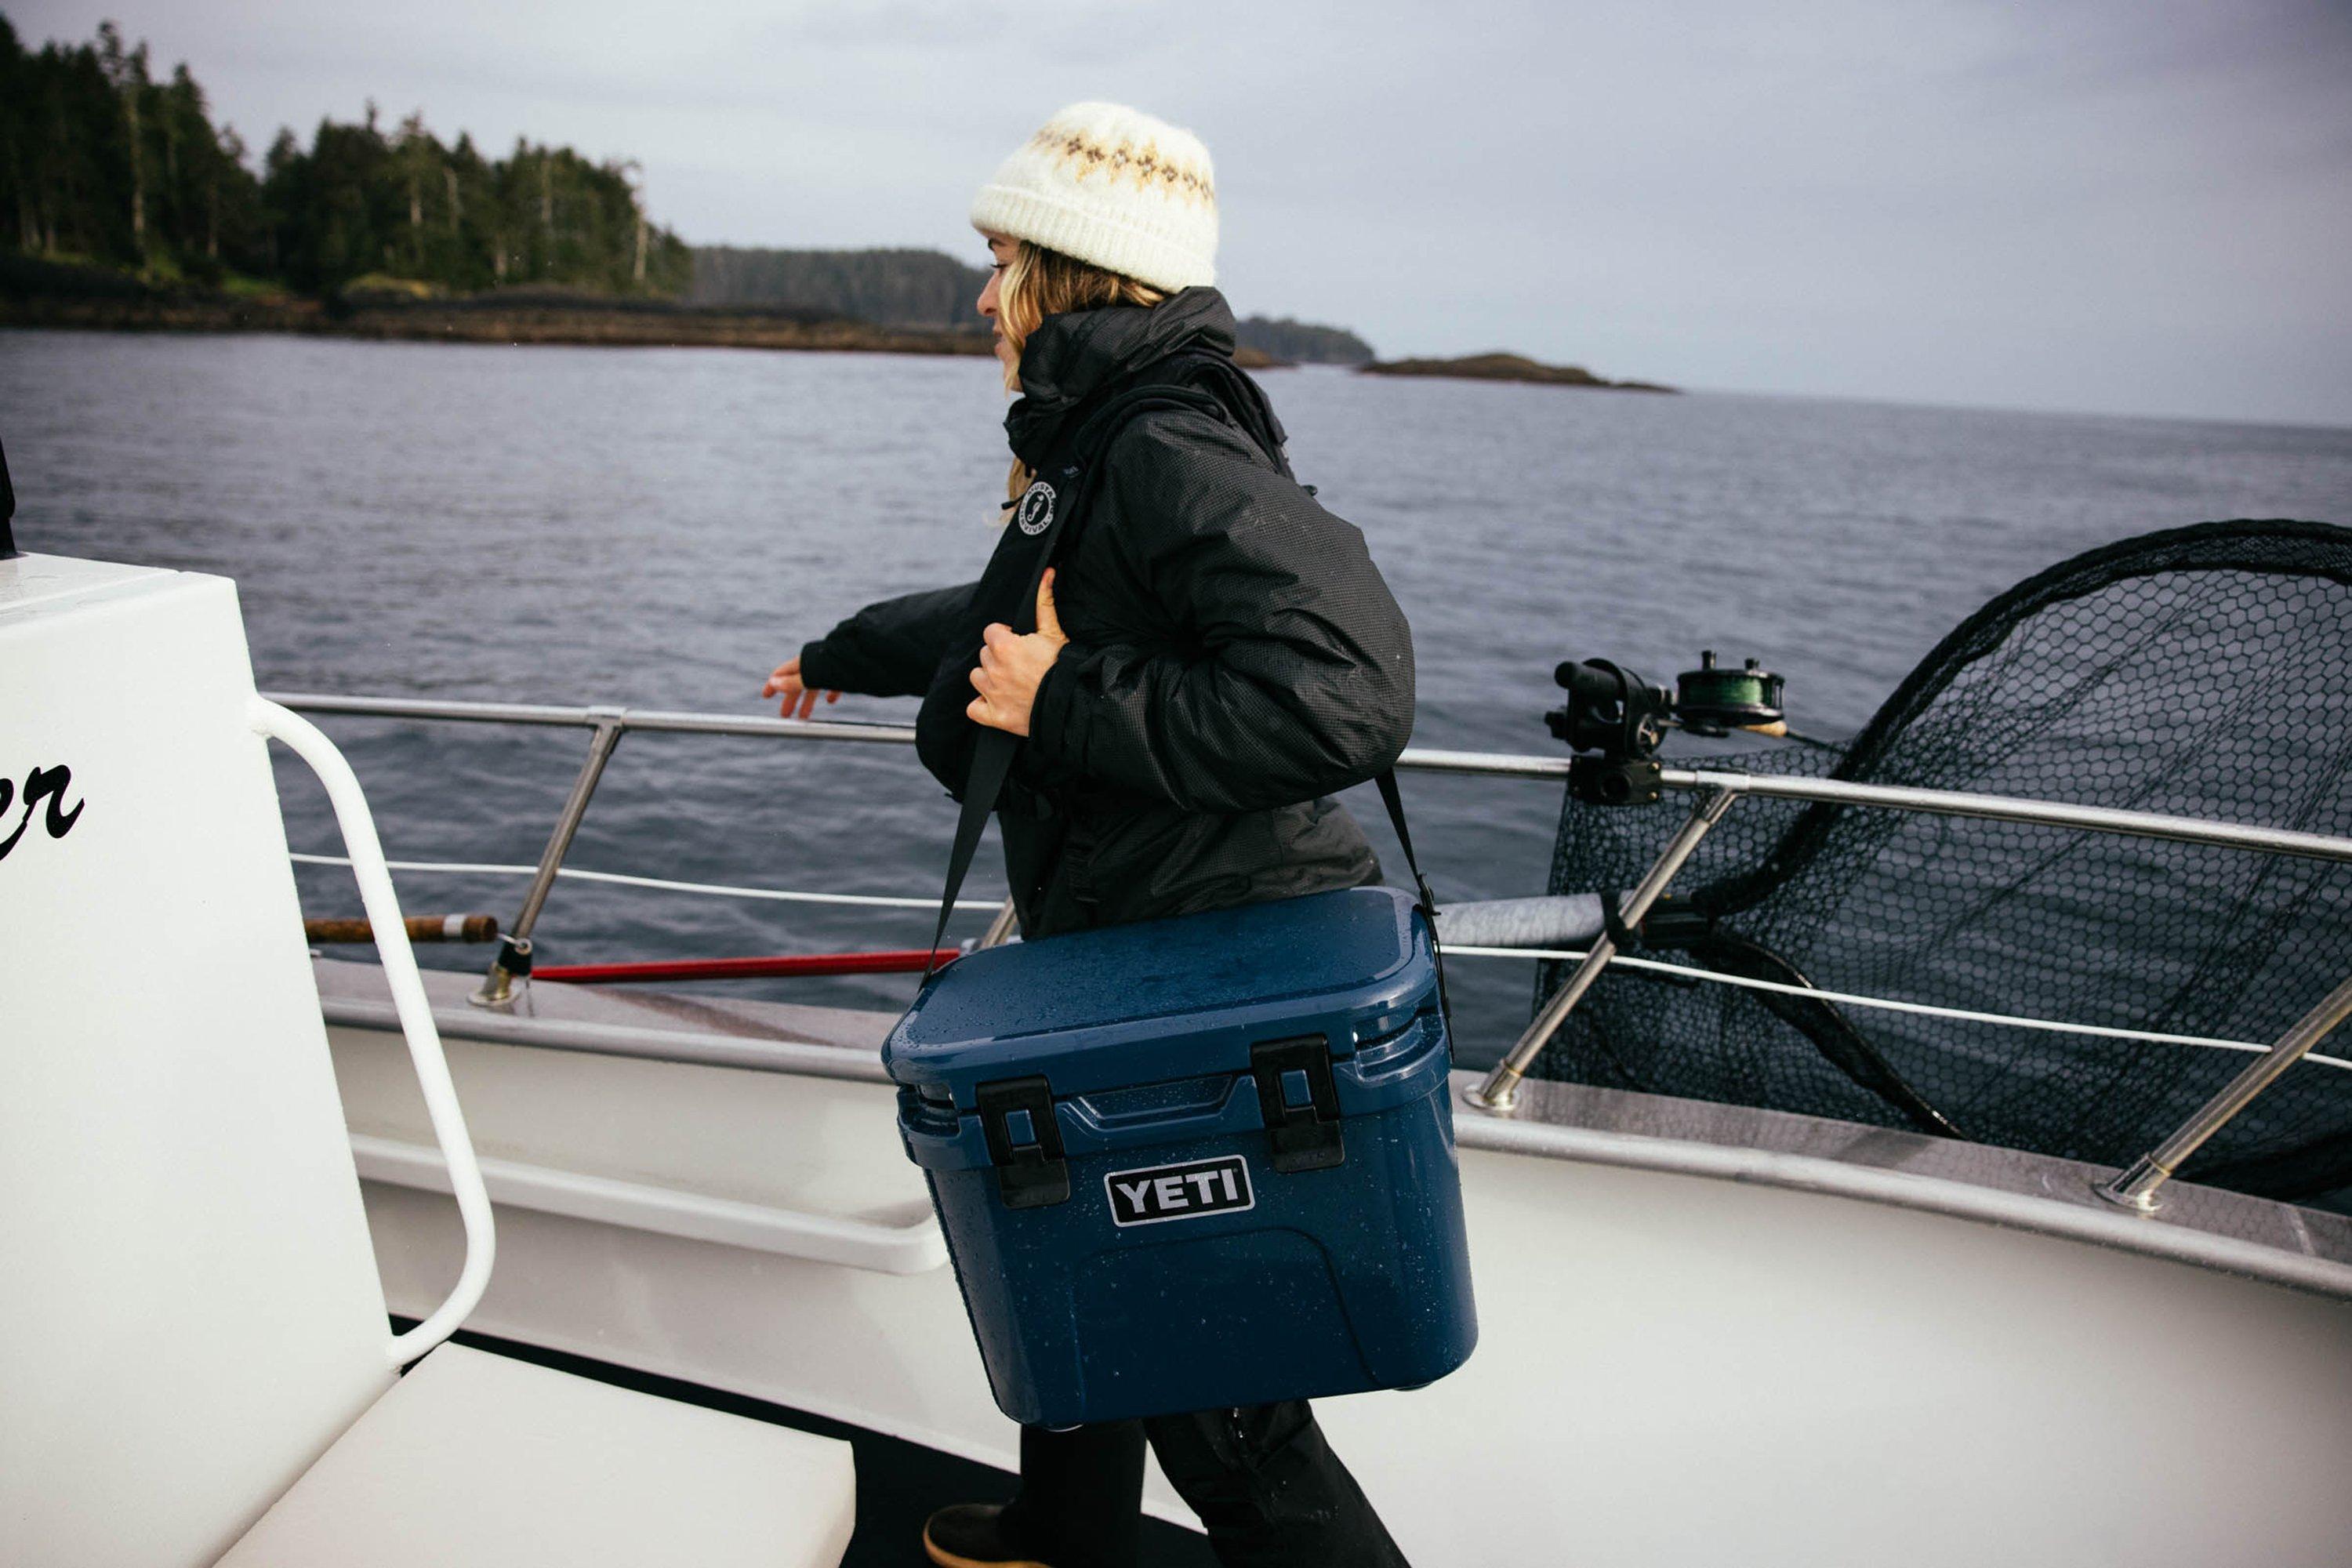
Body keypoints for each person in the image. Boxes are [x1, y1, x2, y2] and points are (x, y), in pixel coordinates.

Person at [760, 101, 1416, 1568]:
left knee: (1222, 1390)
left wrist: (1069, 701)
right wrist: (842, 649)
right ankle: (1063, 1526)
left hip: (1207, 955)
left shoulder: (1169, 444)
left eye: (1000, 261)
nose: (980, 298)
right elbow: (1006, 607)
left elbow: (1356, 689)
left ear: (1073, 269)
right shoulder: (1099, 439)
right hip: (1131, 936)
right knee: (1082, 1242)